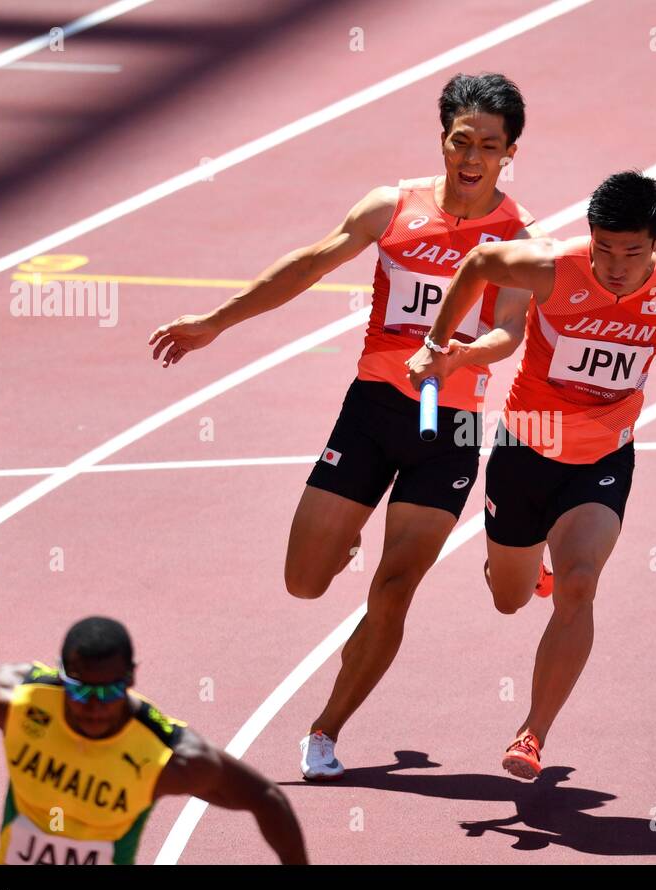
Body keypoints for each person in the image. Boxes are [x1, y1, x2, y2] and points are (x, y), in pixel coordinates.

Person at [147, 74, 540, 780]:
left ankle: (326, 729)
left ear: (511, 151)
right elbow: (307, 265)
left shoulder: (517, 237)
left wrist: (460, 353)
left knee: (393, 589)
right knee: (304, 580)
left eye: (489, 145)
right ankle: (351, 521)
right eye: (461, 140)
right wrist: (217, 322)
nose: (472, 156)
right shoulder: (392, 207)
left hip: (446, 427)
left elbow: (510, 330)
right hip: (371, 412)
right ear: (442, 138)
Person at [407, 171, 656, 778]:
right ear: (588, 237)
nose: (616, 266)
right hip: (527, 445)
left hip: (602, 459)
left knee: (580, 586)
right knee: (509, 599)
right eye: (604, 249)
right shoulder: (552, 267)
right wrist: (438, 340)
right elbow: (478, 262)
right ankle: (526, 570)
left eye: (632, 253)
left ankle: (532, 734)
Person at [0, 616, 308, 864]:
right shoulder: (16, 698)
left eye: (110, 692)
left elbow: (268, 798)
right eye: (80, 691)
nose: (94, 706)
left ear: (132, 678)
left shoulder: (168, 756)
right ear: (61, 675)